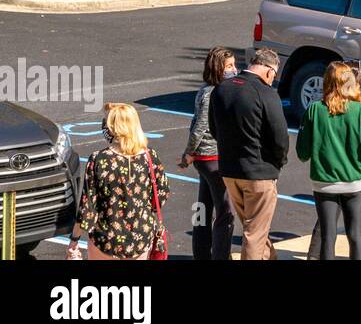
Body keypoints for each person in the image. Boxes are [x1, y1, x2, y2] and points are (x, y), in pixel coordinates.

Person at [208, 47, 289, 261]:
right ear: (270, 71)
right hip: (259, 174)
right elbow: (280, 136)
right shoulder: (266, 93)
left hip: (230, 171)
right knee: (254, 233)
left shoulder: (221, 89)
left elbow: (214, 128)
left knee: (254, 227)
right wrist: (279, 162)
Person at [295, 62, 361, 260]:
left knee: (328, 236)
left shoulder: (314, 110)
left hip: (324, 183)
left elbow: (302, 152)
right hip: (353, 182)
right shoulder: (360, 111)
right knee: (355, 235)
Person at [67, 103, 170, 260]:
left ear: (113, 128)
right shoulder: (150, 157)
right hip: (140, 238)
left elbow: (87, 207)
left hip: (106, 240)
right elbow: (160, 197)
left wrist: (74, 239)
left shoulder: (99, 160)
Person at [180, 47, 236, 260]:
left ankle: (201, 253)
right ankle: (221, 255)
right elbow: (200, 126)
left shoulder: (204, 89)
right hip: (213, 158)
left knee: (203, 207)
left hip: (204, 160)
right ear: (217, 68)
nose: (234, 70)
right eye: (229, 66)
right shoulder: (214, 92)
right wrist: (188, 152)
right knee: (225, 211)